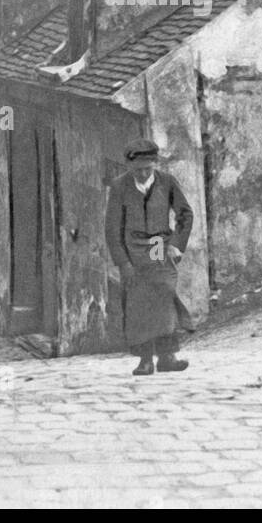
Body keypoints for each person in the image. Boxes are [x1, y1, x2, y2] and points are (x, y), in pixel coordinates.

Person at [105, 138, 195, 376]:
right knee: (138, 306)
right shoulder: (119, 186)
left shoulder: (167, 182)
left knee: (165, 296)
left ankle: (167, 357)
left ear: (155, 164)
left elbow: (185, 214)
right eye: (137, 169)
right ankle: (145, 360)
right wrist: (123, 262)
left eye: (147, 168)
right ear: (129, 166)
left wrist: (177, 245)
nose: (143, 173)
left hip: (161, 248)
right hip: (133, 252)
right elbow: (112, 229)